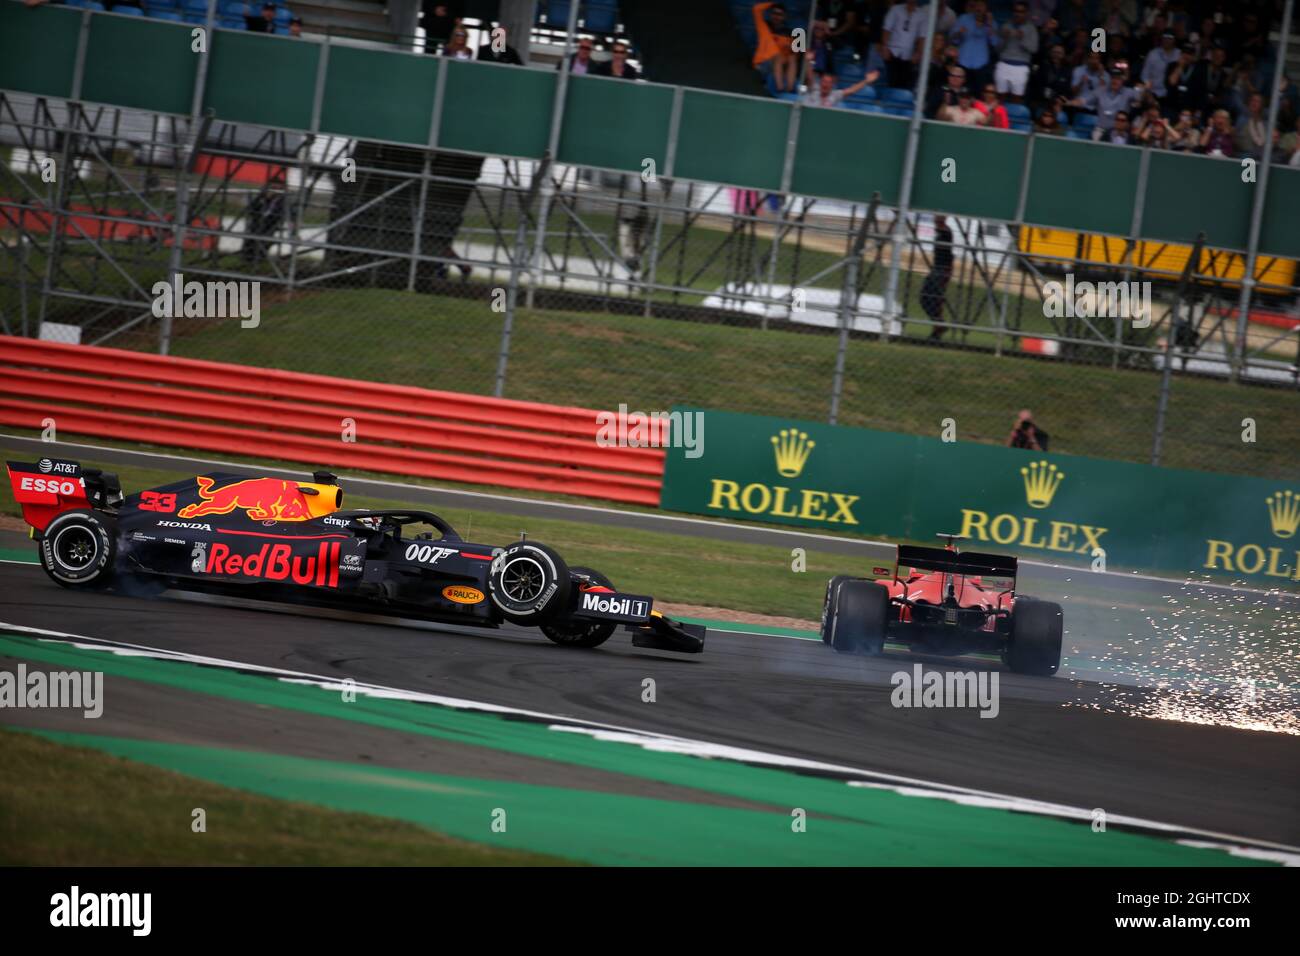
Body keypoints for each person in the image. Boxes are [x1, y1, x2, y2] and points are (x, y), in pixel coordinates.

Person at [950, 0, 999, 94]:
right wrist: (959, 33)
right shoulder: (964, 19)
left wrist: (989, 25)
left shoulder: (991, 23)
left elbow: (995, 43)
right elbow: (953, 40)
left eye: (981, 5)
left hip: (981, 66)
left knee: (978, 94)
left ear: (986, 8)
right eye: (976, 5)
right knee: (959, 93)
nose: (978, 8)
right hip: (963, 63)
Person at [996, 2, 1038, 102]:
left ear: (1026, 13)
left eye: (1021, 11)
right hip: (1004, 64)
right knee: (1000, 96)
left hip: (1021, 67)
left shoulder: (1031, 28)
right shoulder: (1006, 25)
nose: (1018, 14)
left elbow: (1034, 49)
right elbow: (997, 49)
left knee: (1017, 98)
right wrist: (1004, 39)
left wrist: (1022, 39)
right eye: (1016, 11)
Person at [921, 216, 955, 339]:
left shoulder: (945, 232)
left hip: (942, 270)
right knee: (926, 298)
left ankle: (938, 327)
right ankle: (938, 325)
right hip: (937, 269)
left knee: (934, 298)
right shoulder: (940, 232)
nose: (934, 219)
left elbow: (943, 234)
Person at [753, 3, 798, 93]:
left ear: (784, 17)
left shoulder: (789, 33)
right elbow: (756, 9)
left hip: (782, 63)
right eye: (774, 13)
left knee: (792, 57)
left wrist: (789, 48)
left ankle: (790, 88)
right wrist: (773, 3)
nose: (776, 16)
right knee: (777, 56)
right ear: (770, 14)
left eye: (780, 14)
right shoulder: (763, 26)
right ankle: (780, 88)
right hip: (765, 62)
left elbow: (795, 53)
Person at [881, 0, 925, 89]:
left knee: (903, 84)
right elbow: (886, 29)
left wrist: (918, 53)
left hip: (908, 55)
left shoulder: (922, 15)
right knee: (890, 81)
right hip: (892, 52)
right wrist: (885, 47)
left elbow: (922, 36)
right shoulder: (895, 9)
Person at [801, 69, 879, 109]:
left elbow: (852, 90)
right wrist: (808, 61)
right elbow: (810, 77)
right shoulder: (814, 88)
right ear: (820, 82)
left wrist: (866, 81)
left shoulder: (835, 94)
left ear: (832, 85)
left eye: (829, 82)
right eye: (824, 81)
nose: (826, 84)